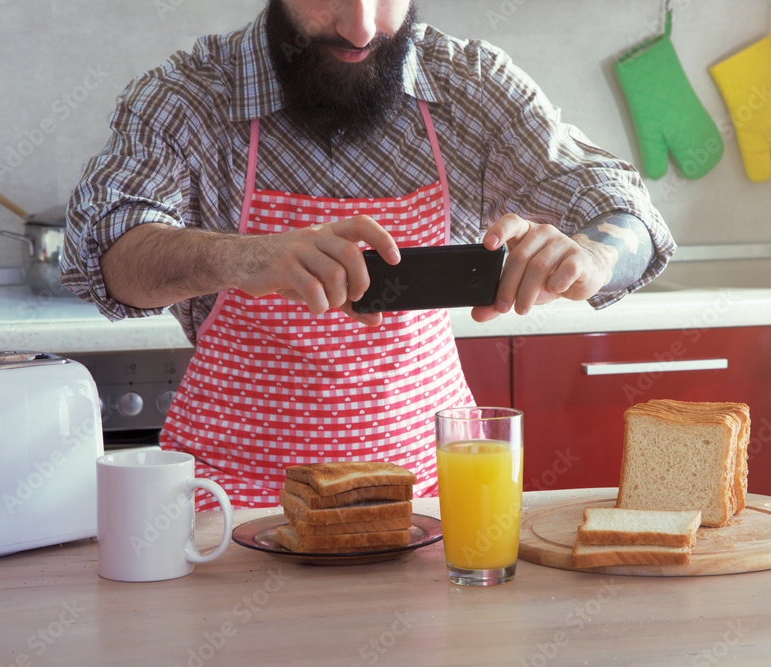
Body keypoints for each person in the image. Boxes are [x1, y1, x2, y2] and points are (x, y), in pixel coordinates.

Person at [62, 0, 675, 509]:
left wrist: (594, 254)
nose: (361, 27)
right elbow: (109, 253)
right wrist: (244, 258)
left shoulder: (469, 86)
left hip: (427, 503)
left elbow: (623, 207)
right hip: (230, 508)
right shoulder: (190, 95)